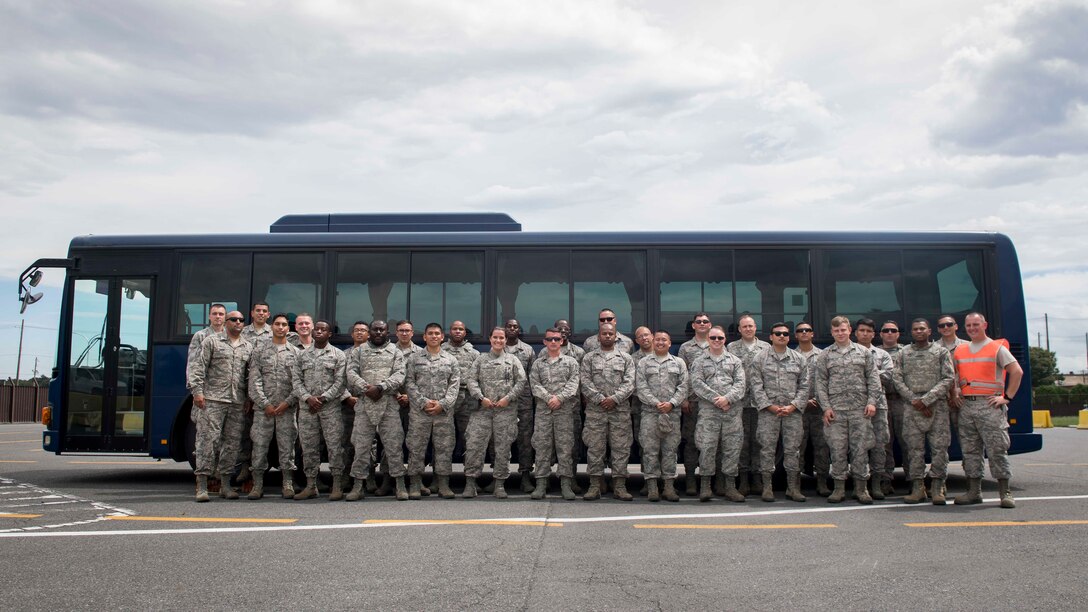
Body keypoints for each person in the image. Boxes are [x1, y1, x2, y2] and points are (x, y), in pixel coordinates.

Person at [951, 312, 1023, 508]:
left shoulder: (996, 348)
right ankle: (974, 492)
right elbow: (955, 377)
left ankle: (1005, 492)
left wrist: (1006, 397)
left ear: (985, 325)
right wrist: (956, 392)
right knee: (970, 451)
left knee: (997, 449)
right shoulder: (960, 350)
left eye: (976, 324)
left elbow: (1017, 371)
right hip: (967, 406)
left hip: (990, 406)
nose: (972, 328)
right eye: (969, 325)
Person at [188, 310, 253, 502]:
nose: (238, 323)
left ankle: (225, 484)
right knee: (207, 442)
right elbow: (198, 368)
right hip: (213, 400)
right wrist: (197, 393)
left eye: (241, 320)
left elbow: (248, 376)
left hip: (237, 402)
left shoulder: (247, 347)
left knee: (232, 444)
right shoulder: (212, 342)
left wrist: (248, 398)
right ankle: (202, 485)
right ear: (226, 322)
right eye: (233, 320)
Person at [815, 316, 880, 504]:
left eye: (843, 330)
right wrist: (826, 407)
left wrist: (872, 402)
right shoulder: (825, 355)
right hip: (836, 412)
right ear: (832, 332)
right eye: (836, 331)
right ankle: (839, 488)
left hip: (860, 410)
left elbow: (873, 379)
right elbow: (820, 384)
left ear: (849, 330)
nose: (840, 333)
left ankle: (861, 489)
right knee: (837, 450)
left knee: (860, 449)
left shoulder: (863, 352)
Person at [890, 318, 955, 504]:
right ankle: (918, 488)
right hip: (911, 408)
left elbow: (948, 378)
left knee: (939, 449)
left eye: (922, 329)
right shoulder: (903, 353)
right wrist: (914, 400)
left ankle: (937, 488)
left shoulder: (941, 352)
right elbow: (897, 380)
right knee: (914, 449)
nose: (919, 331)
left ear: (929, 331)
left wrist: (926, 401)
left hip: (937, 408)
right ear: (911, 332)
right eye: (915, 329)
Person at [345, 320, 408, 501]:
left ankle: (400, 485)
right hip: (365, 404)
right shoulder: (359, 351)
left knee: (394, 446)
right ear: (370, 332)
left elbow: (400, 375)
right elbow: (351, 373)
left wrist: (381, 387)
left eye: (382, 329)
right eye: (375, 329)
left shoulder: (396, 352)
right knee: (361, 447)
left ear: (387, 332)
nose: (378, 332)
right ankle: (358, 486)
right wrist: (366, 388)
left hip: (388, 404)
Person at [750, 322, 811, 502]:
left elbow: (805, 386)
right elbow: (756, 386)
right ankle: (767, 488)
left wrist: (793, 405)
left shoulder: (799, 359)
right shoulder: (760, 358)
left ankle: (793, 488)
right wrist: (770, 406)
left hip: (792, 413)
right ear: (771, 337)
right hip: (769, 413)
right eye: (777, 334)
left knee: (793, 450)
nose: (781, 336)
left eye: (785, 334)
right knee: (767, 450)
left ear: (789, 337)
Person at [463, 327, 526, 498]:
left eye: (502, 338)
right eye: (495, 338)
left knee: (503, 449)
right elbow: (471, 380)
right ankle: (470, 483)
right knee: (474, 446)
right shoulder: (480, 359)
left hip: (505, 411)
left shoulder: (513, 360)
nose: (498, 341)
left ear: (506, 340)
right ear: (490, 339)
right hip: (482, 411)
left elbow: (521, 382)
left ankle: (499, 484)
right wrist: (480, 397)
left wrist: (508, 398)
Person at [291, 320, 347, 501]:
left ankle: (337, 485)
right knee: (308, 447)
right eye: (317, 329)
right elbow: (296, 380)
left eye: (324, 329)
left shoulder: (338, 355)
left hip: (330, 408)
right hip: (308, 409)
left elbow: (340, 382)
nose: (320, 332)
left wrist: (324, 398)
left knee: (334, 447)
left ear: (330, 334)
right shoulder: (302, 355)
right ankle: (311, 485)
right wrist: (308, 398)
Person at [580, 323, 637, 501]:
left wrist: (615, 398)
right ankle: (594, 485)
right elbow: (584, 381)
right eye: (604, 334)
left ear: (615, 337)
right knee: (595, 448)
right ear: (599, 337)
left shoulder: (626, 358)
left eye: (610, 334)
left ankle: (619, 486)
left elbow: (630, 383)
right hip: (595, 411)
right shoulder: (589, 358)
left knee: (620, 448)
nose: (607, 336)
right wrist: (599, 398)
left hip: (619, 411)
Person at [690, 326, 747, 502]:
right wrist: (717, 399)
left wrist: (727, 399)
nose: (716, 341)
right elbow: (697, 383)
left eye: (720, 338)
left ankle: (730, 487)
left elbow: (741, 384)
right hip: (709, 413)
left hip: (731, 413)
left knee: (732, 449)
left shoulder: (735, 361)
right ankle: (705, 487)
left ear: (725, 340)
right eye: (713, 338)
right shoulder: (699, 361)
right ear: (708, 339)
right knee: (707, 448)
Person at [246, 313, 300, 499]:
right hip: (264, 411)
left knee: (287, 448)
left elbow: (299, 384)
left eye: (284, 324)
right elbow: (254, 381)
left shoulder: (295, 353)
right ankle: (257, 484)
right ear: (272, 327)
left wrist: (287, 402)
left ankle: (287, 483)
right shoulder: (259, 351)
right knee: (259, 447)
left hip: (287, 409)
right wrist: (265, 404)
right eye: (277, 324)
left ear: (288, 329)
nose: (280, 327)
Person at [405, 323, 461, 499]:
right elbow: (409, 383)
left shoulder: (451, 360)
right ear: (424, 337)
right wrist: (423, 403)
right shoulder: (414, 359)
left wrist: (443, 404)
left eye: (437, 333)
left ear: (442, 337)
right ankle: (415, 484)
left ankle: (443, 485)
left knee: (444, 448)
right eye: (430, 333)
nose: (434, 336)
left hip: (443, 413)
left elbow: (455, 385)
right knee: (416, 448)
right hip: (420, 413)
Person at [635, 330, 689, 502]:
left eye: (664, 340)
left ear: (669, 342)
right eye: (657, 339)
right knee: (650, 450)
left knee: (670, 451)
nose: (660, 342)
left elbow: (683, 386)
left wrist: (672, 403)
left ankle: (668, 487)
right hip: (651, 413)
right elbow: (640, 387)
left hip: (671, 413)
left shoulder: (679, 362)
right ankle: (652, 486)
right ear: (652, 341)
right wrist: (655, 403)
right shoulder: (643, 363)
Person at [528, 328, 581, 500]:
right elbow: (534, 384)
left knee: (565, 448)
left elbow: (573, 384)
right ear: (544, 342)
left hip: (564, 411)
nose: (553, 342)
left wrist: (560, 398)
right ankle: (541, 484)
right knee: (542, 448)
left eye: (556, 339)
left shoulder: (571, 362)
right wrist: (548, 398)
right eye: (549, 339)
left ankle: (566, 484)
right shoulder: (538, 363)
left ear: (561, 341)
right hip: (544, 412)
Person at [727, 314, 770, 496]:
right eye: (744, 326)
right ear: (739, 329)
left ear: (755, 327)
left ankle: (757, 478)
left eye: (751, 326)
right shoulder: (731, 347)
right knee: (742, 442)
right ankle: (743, 479)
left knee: (760, 440)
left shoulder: (766, 347)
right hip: (740, 403)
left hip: (761, 403)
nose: (748, 329)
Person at [854, 318, 894, 500]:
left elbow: (887, 376)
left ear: (873, 334)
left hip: (878, 406)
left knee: (879, 445)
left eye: (868, 331)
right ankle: (860, 484)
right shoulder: (849, 353)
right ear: (855, 333)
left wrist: (866, 372)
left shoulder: (882, 355)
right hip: (855, 407)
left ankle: (877, 484)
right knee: (858, 447)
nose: (864, 333)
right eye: (861, 330)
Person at [236, 301, 272, 486]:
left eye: (264, 311)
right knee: (244, 430)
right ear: (252, 313)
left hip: (266, 390)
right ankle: (244, 466)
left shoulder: (274, 333)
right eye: (258, 311)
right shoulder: (242, 333)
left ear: (268, 314)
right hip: (244, 389)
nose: (261, 313)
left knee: (260, 434)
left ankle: (261, 469)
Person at [678, 313, 713, 495]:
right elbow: (682, 376)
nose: (702, 324)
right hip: (692, 402)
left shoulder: (716, 343)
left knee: (712, 442)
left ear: (710, 325)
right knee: (691, 441)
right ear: (693, 325)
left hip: (711, 403)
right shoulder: (685, 348)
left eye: (705, 322)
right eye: (698, 322)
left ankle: (713, 479)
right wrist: (683, 398)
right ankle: (690, 479)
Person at [794, 322, 829, 496]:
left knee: (822, 446)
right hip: (798, 411)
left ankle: (822, 481)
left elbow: (827, 381)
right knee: (797, 447)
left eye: (807, 330)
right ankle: (796, 484)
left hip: (819, 409)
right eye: (801, 331)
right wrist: (802, 402)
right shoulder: (792, 356)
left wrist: (816, 399)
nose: (804, 333)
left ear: (813, 334)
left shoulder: (822, 355)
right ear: (796, 335)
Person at [503, 319, 537, 493]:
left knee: (525, 441)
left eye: (516, 326)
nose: (512, 329)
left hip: (523, 402)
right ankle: (499, 477)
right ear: (504, 329)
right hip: (502, 403)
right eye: (509, 326)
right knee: (501, 440)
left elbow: (533, 378)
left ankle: (525, 476)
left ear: (519, 330)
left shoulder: (528, 350)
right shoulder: (498, 347)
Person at [442, 320, 480, 466]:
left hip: (467, 399)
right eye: (454, 329)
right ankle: (440, 476)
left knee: (469, 437)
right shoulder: (441, 350)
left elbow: (478, 378)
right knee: (443, 437)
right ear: (449, 332)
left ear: (465, 332)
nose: (457, 331)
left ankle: (470, 476)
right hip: (446, 398)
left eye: (460, 329)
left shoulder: (474, 353)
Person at [341, 322, 371, 491]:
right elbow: (338, 379)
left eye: (363, 330)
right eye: (356, 330)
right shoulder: (343, 355)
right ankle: (346, 476)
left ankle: (369, 478)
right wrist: (347, 397)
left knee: (368, 443)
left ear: (368, 334)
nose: (360, 333)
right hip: (347, 406)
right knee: (346, 442)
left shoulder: (371, 354)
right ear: (351, 334)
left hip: (367, 404)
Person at [879, 320, 906, 495]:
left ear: (898, 334)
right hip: (883, 401)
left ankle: (915, 480)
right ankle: (886, 480)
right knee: (884, 443)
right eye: (885, 330)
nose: (889, 333)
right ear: (880, 334)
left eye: (893, 330)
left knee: (908, 442)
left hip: (903, 402)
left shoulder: (907, 352)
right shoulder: (875, 353)